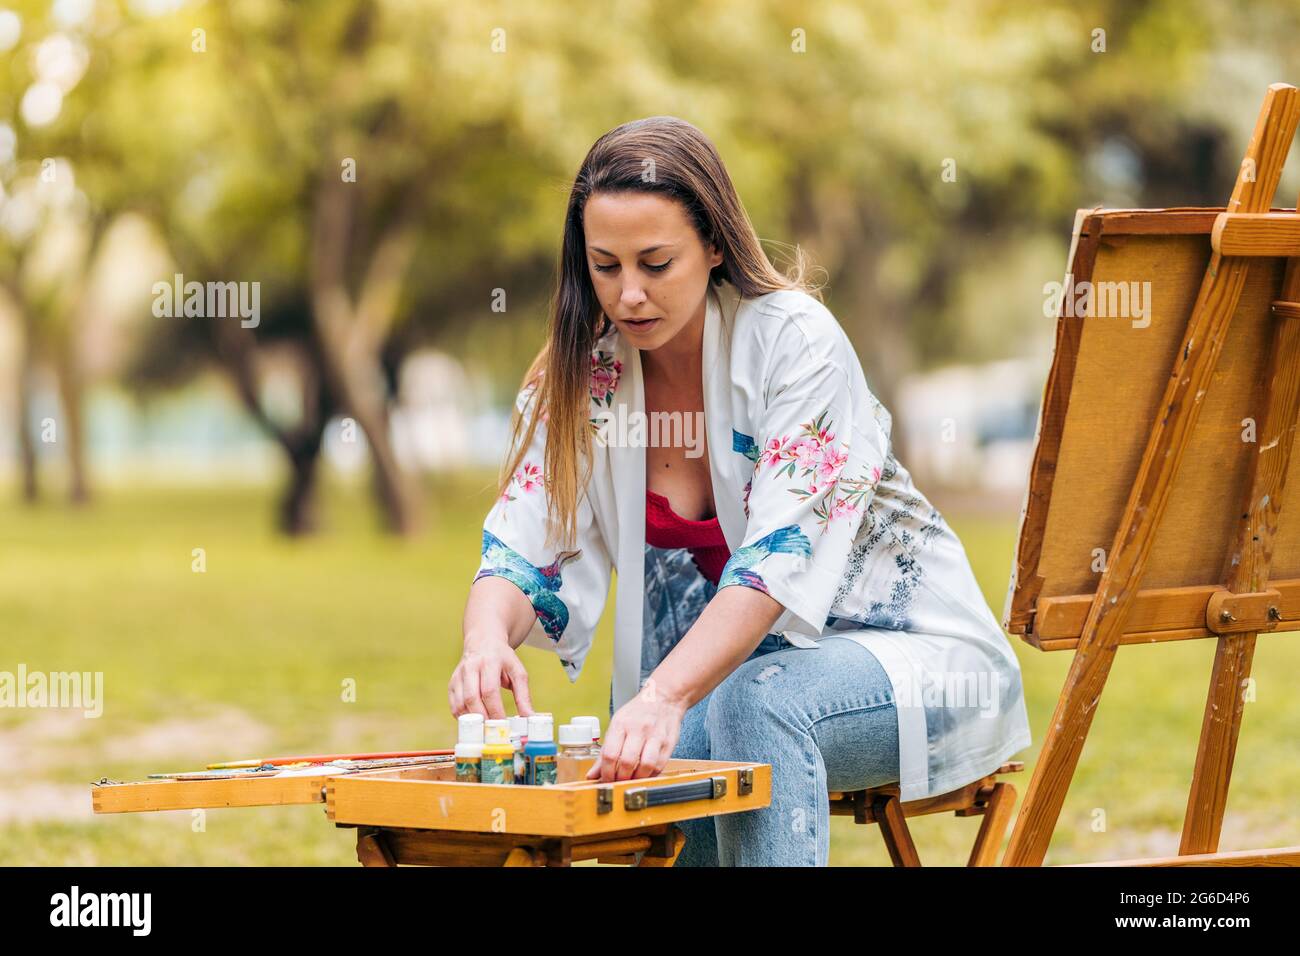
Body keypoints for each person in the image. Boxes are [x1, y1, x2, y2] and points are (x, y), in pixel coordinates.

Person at [450, 115, 1031, 866]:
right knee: (671, 744)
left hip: (913, 664)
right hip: (722, 687)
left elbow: (774, 565)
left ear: (715, 245)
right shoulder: (583, 377)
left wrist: (661, 695)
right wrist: (485, 640)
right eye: (605, 266)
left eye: (656, 263)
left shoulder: (795, 343)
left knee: (751, 704)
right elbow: (520, 550)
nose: (629, 295)